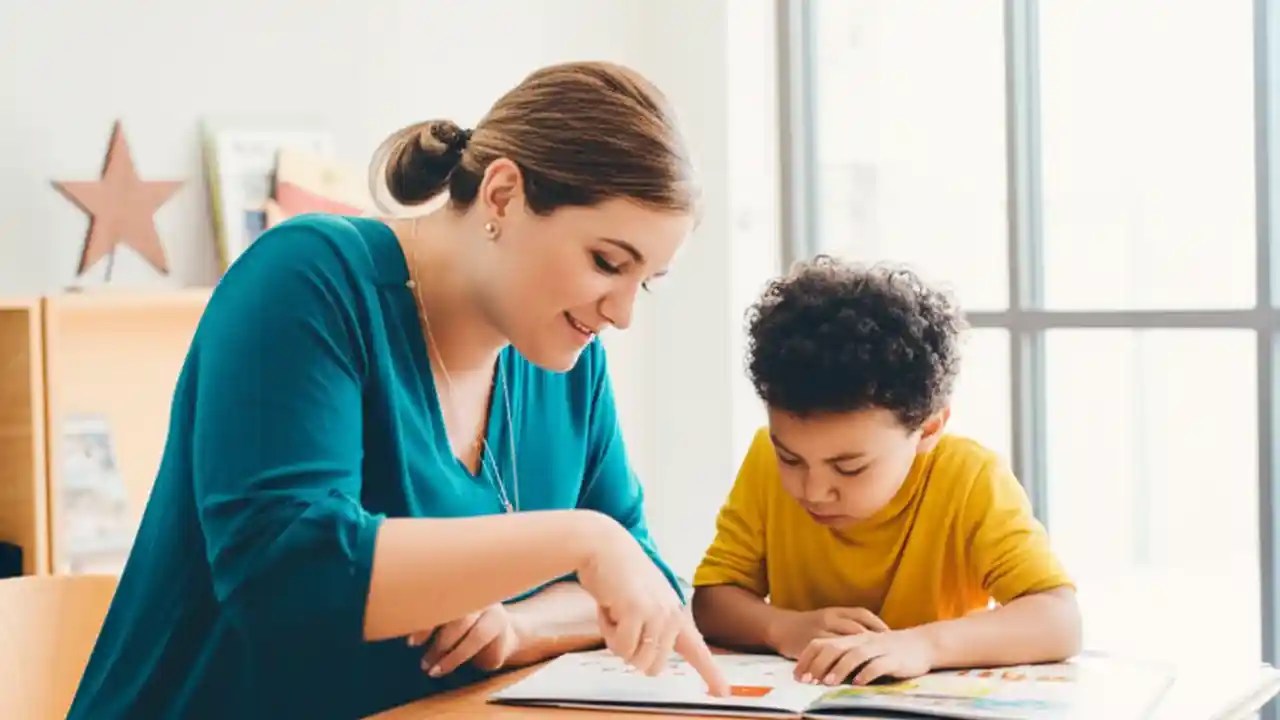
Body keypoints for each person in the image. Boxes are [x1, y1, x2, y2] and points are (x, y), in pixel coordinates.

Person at [67, 61, 729, 720]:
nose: (620, 314)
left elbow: (642, 574)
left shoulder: (564, 357)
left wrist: (520, 626)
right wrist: (582, 542)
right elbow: (288, 575)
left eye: (643, 281)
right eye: (606, 263)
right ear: (502, 195)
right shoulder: (308, 279)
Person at [690, 256, 1082, 687]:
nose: (814, 490)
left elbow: (1059, 620)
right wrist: (782, 627)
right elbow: (712, 601)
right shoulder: (763, 459)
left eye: (849, 467)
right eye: (791, 459)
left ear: (928, 428)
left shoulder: (971, 478)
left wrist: (922, 645)